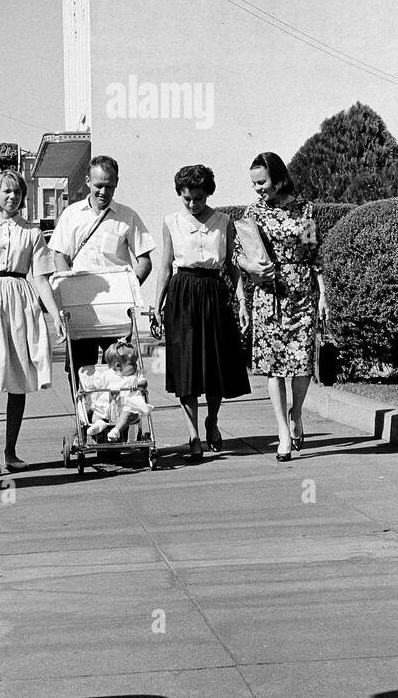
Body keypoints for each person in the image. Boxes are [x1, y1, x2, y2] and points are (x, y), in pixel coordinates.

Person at [0, 170, 65, 475]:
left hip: (20, 301)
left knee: (18, 378)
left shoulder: (32, 233)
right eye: (6, 191)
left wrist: (56, 317)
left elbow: (41, 278)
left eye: (17, 192)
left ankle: (11, 452)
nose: (12, 197)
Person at [154, 164, 249, 460]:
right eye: (187, 199)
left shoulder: (224, 221)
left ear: (208, 193)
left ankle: (212, 420)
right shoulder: (171, 221)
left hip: (213, 292)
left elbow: (232, 265)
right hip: (181, 293)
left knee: (213, 364)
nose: (193, 204)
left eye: (198, 198)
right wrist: (157, 304)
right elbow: (166, 265)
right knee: (186, 366)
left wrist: (242, 300)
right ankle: (193, 434)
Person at [241, 150, 327, 463]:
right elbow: (240, 254)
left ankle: (296, 412)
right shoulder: (253, 212)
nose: (258, 189)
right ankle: (281, 432)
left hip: (301, 291)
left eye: (262, 182)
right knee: (274, 366)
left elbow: (314, 254)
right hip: (268, 294)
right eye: (254, 184)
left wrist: (323, 295)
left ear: (278, 178)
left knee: (302, 362)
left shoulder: (305, 209)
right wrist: (252, 269)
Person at [49, 155, 154, 372]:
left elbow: (144, 260)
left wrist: (129, 289)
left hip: (116, 312)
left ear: (117, 183)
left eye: (109, 186)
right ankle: (83, 408)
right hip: (81, 307)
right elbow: (59, 255)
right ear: (88, 181)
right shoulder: (71, 215)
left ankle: (117, 407)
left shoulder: (127, 216)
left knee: (121, 370)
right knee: (80, 372)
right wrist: (68, 290)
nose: (103, 192)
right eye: (98, 185)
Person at [80, 339, 152, 442]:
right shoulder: (107, 374)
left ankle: (116, 430)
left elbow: (144, 383)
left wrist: (137, 384)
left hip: (127, 405)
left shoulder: (136, 375)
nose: (136, 366)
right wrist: (85, 389)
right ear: (118, 366)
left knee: (127, 413)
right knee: (96, 413)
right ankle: (99, 423)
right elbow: (96, 385)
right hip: (108, 405)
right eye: (132, 364)